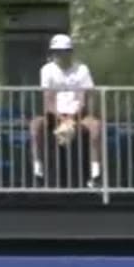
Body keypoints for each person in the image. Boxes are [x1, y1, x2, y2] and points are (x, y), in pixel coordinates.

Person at [30, 33, 103, 188]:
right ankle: (38, 171)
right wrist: (61, 119)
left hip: (79, 115)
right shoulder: (47, 70)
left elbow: (83, 98)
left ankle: (95, 174)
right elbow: (48, 99)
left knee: (96, 126)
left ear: (70, 52)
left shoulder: (82, 69)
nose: (59, 54)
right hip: (54, 115)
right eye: (56, 51)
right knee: (35, 125)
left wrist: (72, 118)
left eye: (63, 51)